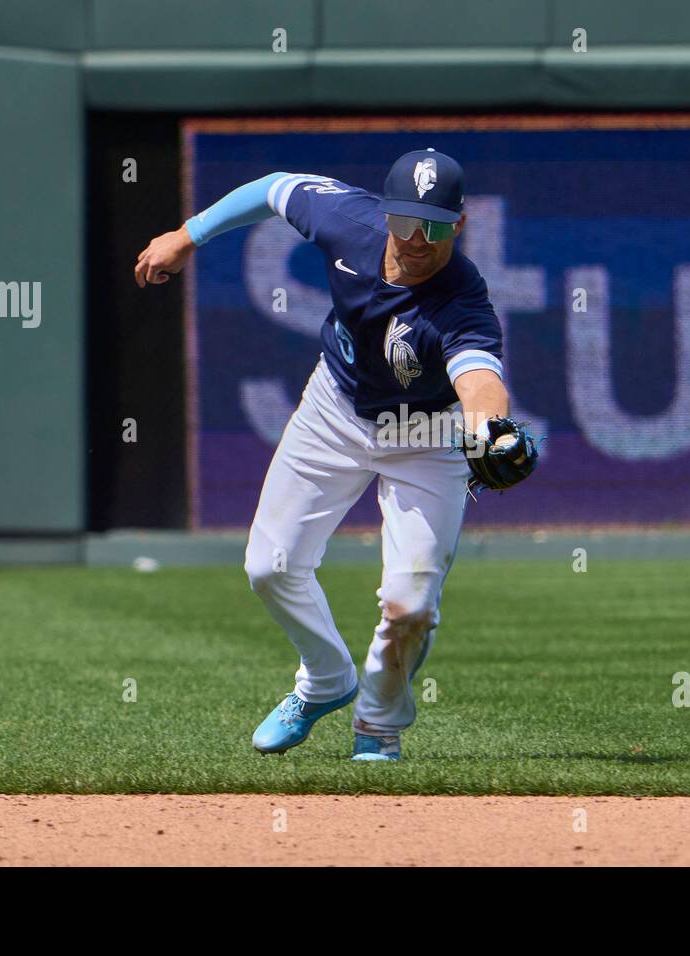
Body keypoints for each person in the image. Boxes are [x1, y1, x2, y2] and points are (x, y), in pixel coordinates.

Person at [134, 149, 537, 760]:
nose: (417, 239)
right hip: (336, 407)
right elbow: (272, 187)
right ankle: (325, 680)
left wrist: (490, 425)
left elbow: (478, 376)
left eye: (435, 225)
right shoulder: (350, 220)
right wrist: (188, 235)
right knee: (269, 567)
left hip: (425, 437)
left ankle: (378, 725)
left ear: (459, 225)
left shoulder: (462, 299)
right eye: (406, 221)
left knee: (411, 605)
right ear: (387, 211)